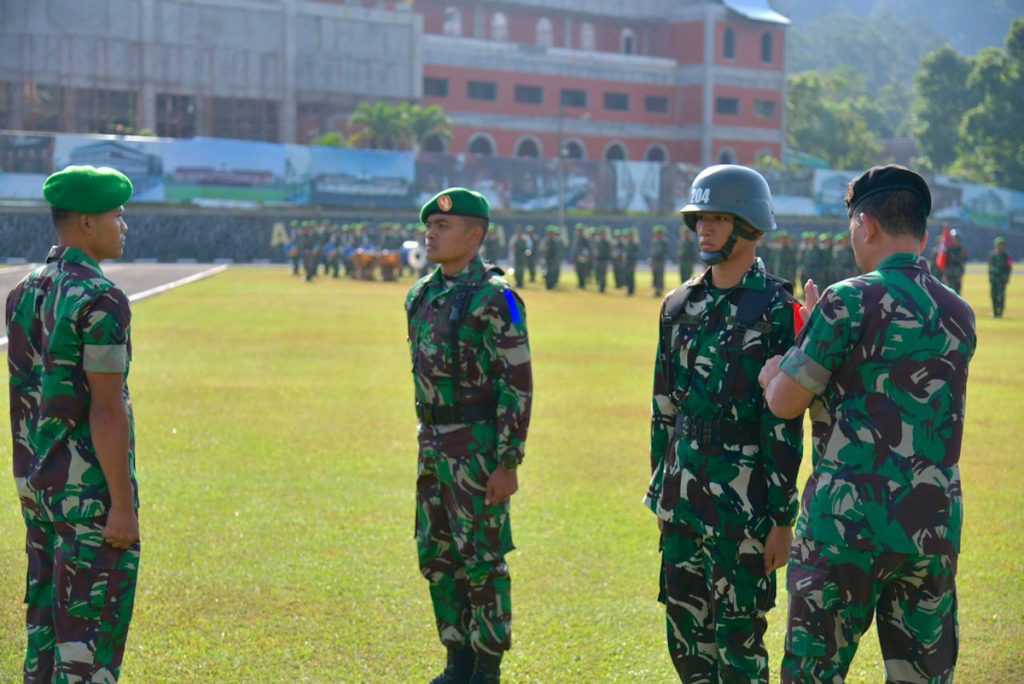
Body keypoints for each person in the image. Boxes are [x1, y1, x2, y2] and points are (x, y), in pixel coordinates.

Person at [759, 165, 976, 683]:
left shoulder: (846, 299)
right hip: (931, 525)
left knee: (814, 673)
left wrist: (780, 366)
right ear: (921, 233)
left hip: (847, 528)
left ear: (868, 225)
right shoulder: (959, 312)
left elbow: (785, 402)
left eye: (853, 223)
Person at [645, 165, 803, 682]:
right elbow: (663, 407)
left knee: (739, 641)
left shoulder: (778, 310)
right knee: (685, 636)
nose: (704, 229)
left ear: (750, 226)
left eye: (718, 218)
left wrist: (782, 518)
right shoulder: (678, 305)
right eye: (699, 219)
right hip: (682, 499)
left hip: (745, 508)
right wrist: (661, 493)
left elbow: (782, 425)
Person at [6, 165, 141, 682]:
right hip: (88, 498)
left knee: (43, 638)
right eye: (117, 214)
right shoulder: (101, 299)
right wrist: (123, 508)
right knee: (88, 649)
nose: (123, 224)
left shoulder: (22, 294)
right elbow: (106, 409)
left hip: (38, 489)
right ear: (86, 223)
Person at [406, 188, 533, 684]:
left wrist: (508, 461)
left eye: (443, 227)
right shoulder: (420, 295)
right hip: (432, 442)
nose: (430, 234)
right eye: (430, 227)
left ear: (474, 236)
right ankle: (456, 659)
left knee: (482, 561)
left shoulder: (500, 298)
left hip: (479, 448)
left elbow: (517, 381)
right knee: (437, 556)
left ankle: (485, 667)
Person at [989, 236, 1012, 318]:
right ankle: (995, 312)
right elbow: (990, 267)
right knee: (993, 295)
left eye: (1001, 245)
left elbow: (1009, 267)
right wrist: (991, 278)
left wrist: (1007, 277)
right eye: (998, 245)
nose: (1000, 246)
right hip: (994, 279)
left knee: (1001, 296)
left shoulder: (1006, 255)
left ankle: (1000, 313)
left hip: (1002, 279)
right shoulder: (992, 255)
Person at [945, 229, 968, 294]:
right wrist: (945, 275)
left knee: (957, 294)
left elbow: (963, 264)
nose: (954, 241)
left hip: (957, 275)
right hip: (949, 275)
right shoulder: (948, 250)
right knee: (949, 293)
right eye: (953, 239)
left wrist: (960, 276)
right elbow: (946, 263)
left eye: (956, 239)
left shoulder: (962, 251)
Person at [650, 225, 669, 297]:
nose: (658, 235)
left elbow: (665, 251)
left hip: (660, 261)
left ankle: (659, 290)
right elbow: (652, 252)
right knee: (654, 275)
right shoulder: (654, 241)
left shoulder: (664, 242)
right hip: (654, 261)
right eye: (657, 233)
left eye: (659, 233)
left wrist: (659, 253)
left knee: (659, 276)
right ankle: (655, 289)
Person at [571, 223, 592, 289]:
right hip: (577, 258)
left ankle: (582, 284)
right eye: (578, 230)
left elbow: (588, 249)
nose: (579, 232)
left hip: (584, 258)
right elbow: (574, 249)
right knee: (578, 271)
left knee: (583, 272)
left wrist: (586, 256)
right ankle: (580, 283)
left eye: (580, 230)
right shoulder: (576, 239)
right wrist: (574, 257)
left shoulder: (586, 240)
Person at [542, 225, 562, 291]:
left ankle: (551, 286)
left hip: (553, 260)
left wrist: (556, 260)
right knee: (546, 273)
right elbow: (541, 248)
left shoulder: (556, 241)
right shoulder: (545, 241)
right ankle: (548, 286)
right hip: (546, 259)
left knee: (552, 273)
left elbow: (558, 252)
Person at [594, 226, 613, 293]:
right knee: (598, 273)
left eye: (603, 233)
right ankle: (600, 285)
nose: (602, 235)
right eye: (601, 233)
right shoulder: (598, 242)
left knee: (603, 274)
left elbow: (609, 252)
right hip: (598, 260)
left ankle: (602, 287)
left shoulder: (607, 243)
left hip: (604, 260)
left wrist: (607, 260)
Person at [623, 228, 640, 296]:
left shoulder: (634, 244)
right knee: (627, 276)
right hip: (627, 262)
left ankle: (631, 290)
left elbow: (636, 254)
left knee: (631, 276)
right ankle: (628, 290)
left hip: (631, 262)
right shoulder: (627, 243)